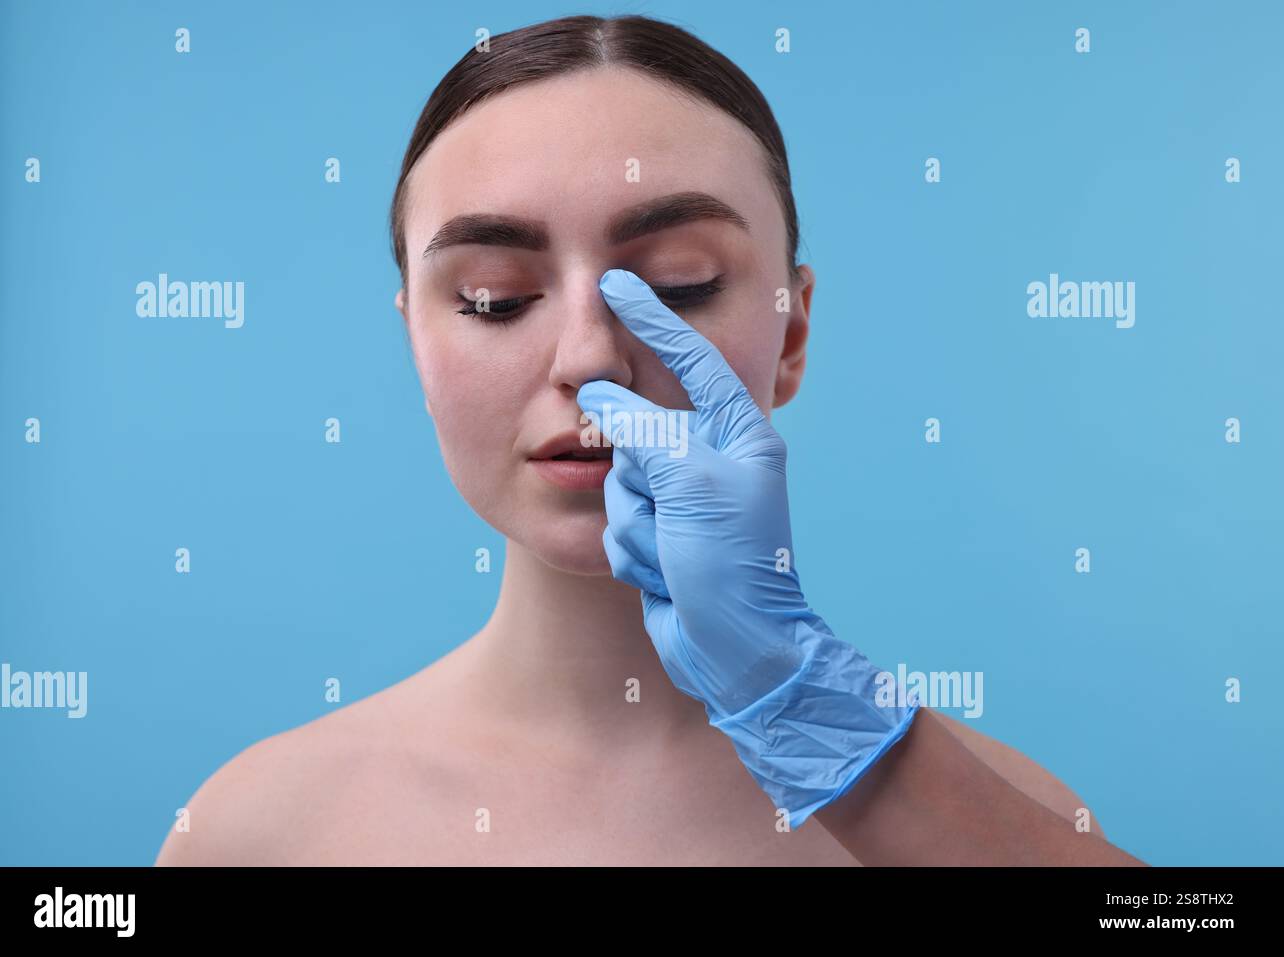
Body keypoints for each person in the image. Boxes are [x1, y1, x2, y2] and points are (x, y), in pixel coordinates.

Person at [156, 14, 1143, 866]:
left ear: (792, 335)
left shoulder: (998, 823)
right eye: (493, 300)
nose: (588, 356)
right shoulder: (258, 833)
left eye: (676, 286)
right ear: (415, 338)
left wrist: (827, 733)